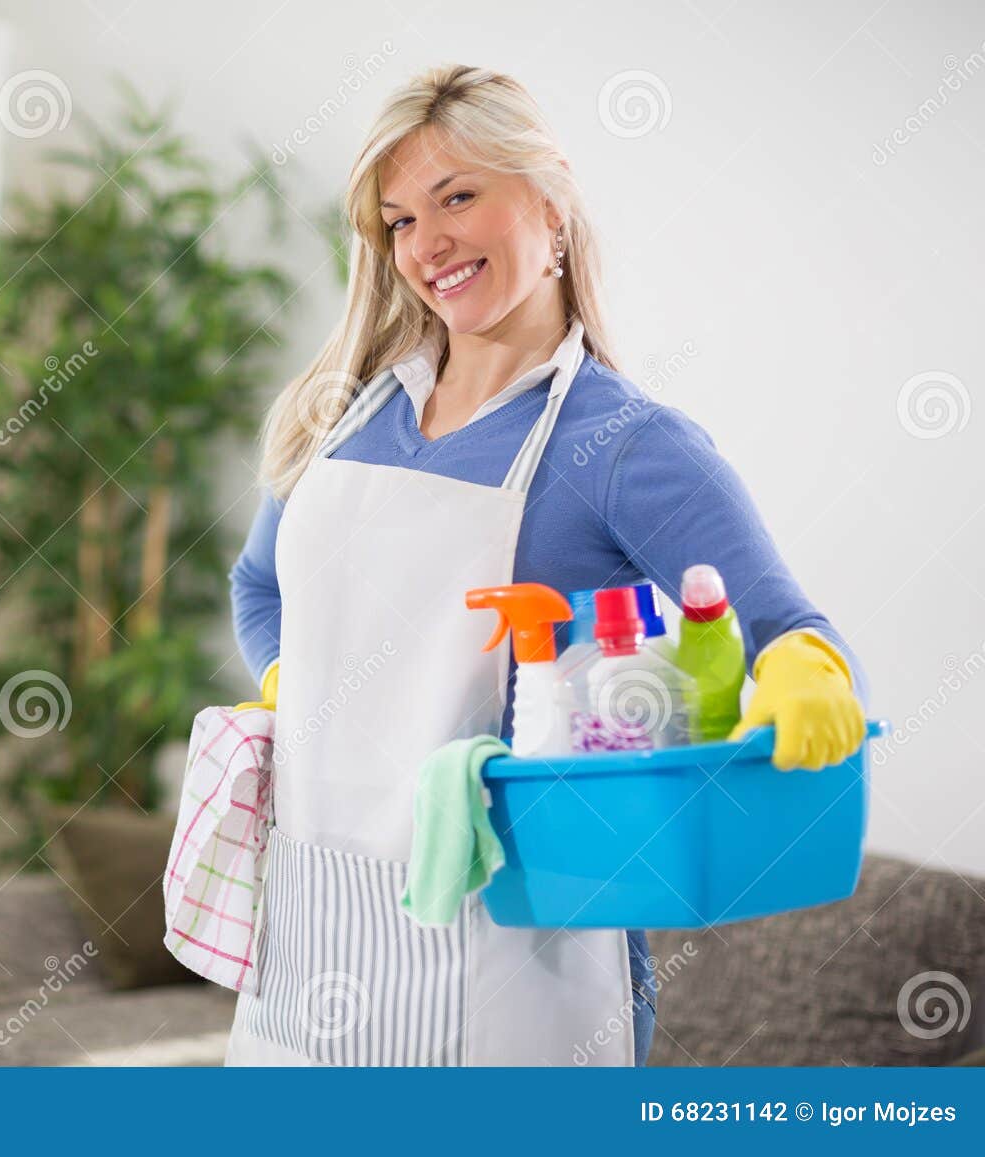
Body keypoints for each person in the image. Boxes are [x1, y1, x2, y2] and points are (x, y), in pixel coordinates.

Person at [223, 64, 868, 1067]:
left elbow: (786, 624)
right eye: (398, 220)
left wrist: (804, 670)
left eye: (458, 196)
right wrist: (297, 687)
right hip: (309, 943)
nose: (425, 244)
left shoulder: (621, 440)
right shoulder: (343, 416)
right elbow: (257, 587)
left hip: (524, 958)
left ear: (551, 197)